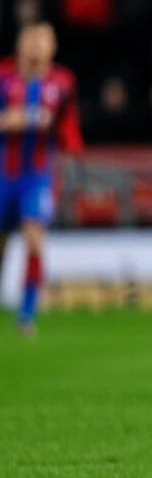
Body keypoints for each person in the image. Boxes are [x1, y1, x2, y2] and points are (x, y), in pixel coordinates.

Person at [0, 22, 82, 336]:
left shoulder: (62, 82)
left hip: (38, 176)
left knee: (35, 237)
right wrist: (9, 120)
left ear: (53, 46)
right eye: (31, 40)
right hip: (3, 175)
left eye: (44, 40)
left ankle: (26, 313)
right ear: (19, 44)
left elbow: (68, 124)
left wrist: (73, 148)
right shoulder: (3, 76)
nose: (37, 46)